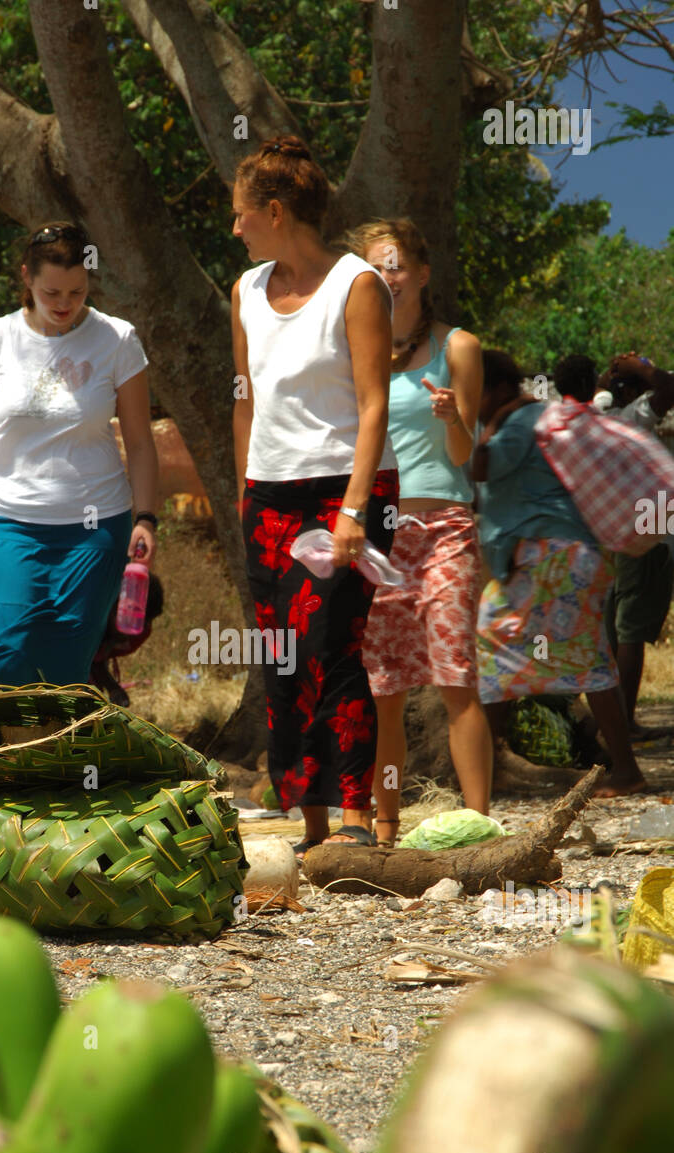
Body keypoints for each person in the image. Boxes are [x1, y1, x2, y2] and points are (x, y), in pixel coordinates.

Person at [231, 135, 397, 855]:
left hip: (346, 490)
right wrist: (243, 489)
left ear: (273, 211)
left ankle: (356, 816)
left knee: (332, 645)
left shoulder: (356, 285)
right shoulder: (243, 292)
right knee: (282, 656)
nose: (233, 228)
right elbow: (244, 400)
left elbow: (372, 403)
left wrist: (357, 508)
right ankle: (311, 822)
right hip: (268, 492)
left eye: (240, 214)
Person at [0, 222, 159, 693]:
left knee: (61, 669)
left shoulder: (117, 340)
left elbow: (139, 441)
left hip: (95, 531)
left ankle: (48, 766)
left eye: (77, 291)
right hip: (10, 523)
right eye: (51, 291)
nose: (64, 303)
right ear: (26, 279)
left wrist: (146, 518)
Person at [344, 218, 491, 845]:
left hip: (447, 525)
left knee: (456, 676)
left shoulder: (458, 346)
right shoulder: (355, 346)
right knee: (385, 690)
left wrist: (452, 416)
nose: (389, 277)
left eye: (398, 265)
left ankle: (482, 823)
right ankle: (385, 828)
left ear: (424, 273)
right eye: (378, 267)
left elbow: (465, 452)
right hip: (381, 532)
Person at [475, 349, 646, 796]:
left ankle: (489, 763)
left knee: (496, 644)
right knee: (577, 656)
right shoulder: (533, 417)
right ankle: (491, 762)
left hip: (554, 557)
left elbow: (479, 467)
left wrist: (455, 428)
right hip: (564, 556)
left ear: (492, 389)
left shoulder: (518, 422)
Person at [557, 352, 674, 734]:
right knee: (631, 633)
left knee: (611, 630)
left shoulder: (588, 419)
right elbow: (669, 388)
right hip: (643, 536)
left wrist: (605, 380)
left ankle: (616, 721)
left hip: (602, 536)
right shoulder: (634, 416)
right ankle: (624, 722)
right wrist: (643, 368)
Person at [90, 571, 164, 707]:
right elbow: (93, 660)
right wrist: (112, 687)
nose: (129, 630)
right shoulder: (93, 617)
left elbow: (97, 660)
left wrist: (113, 688)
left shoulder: (138, 635)